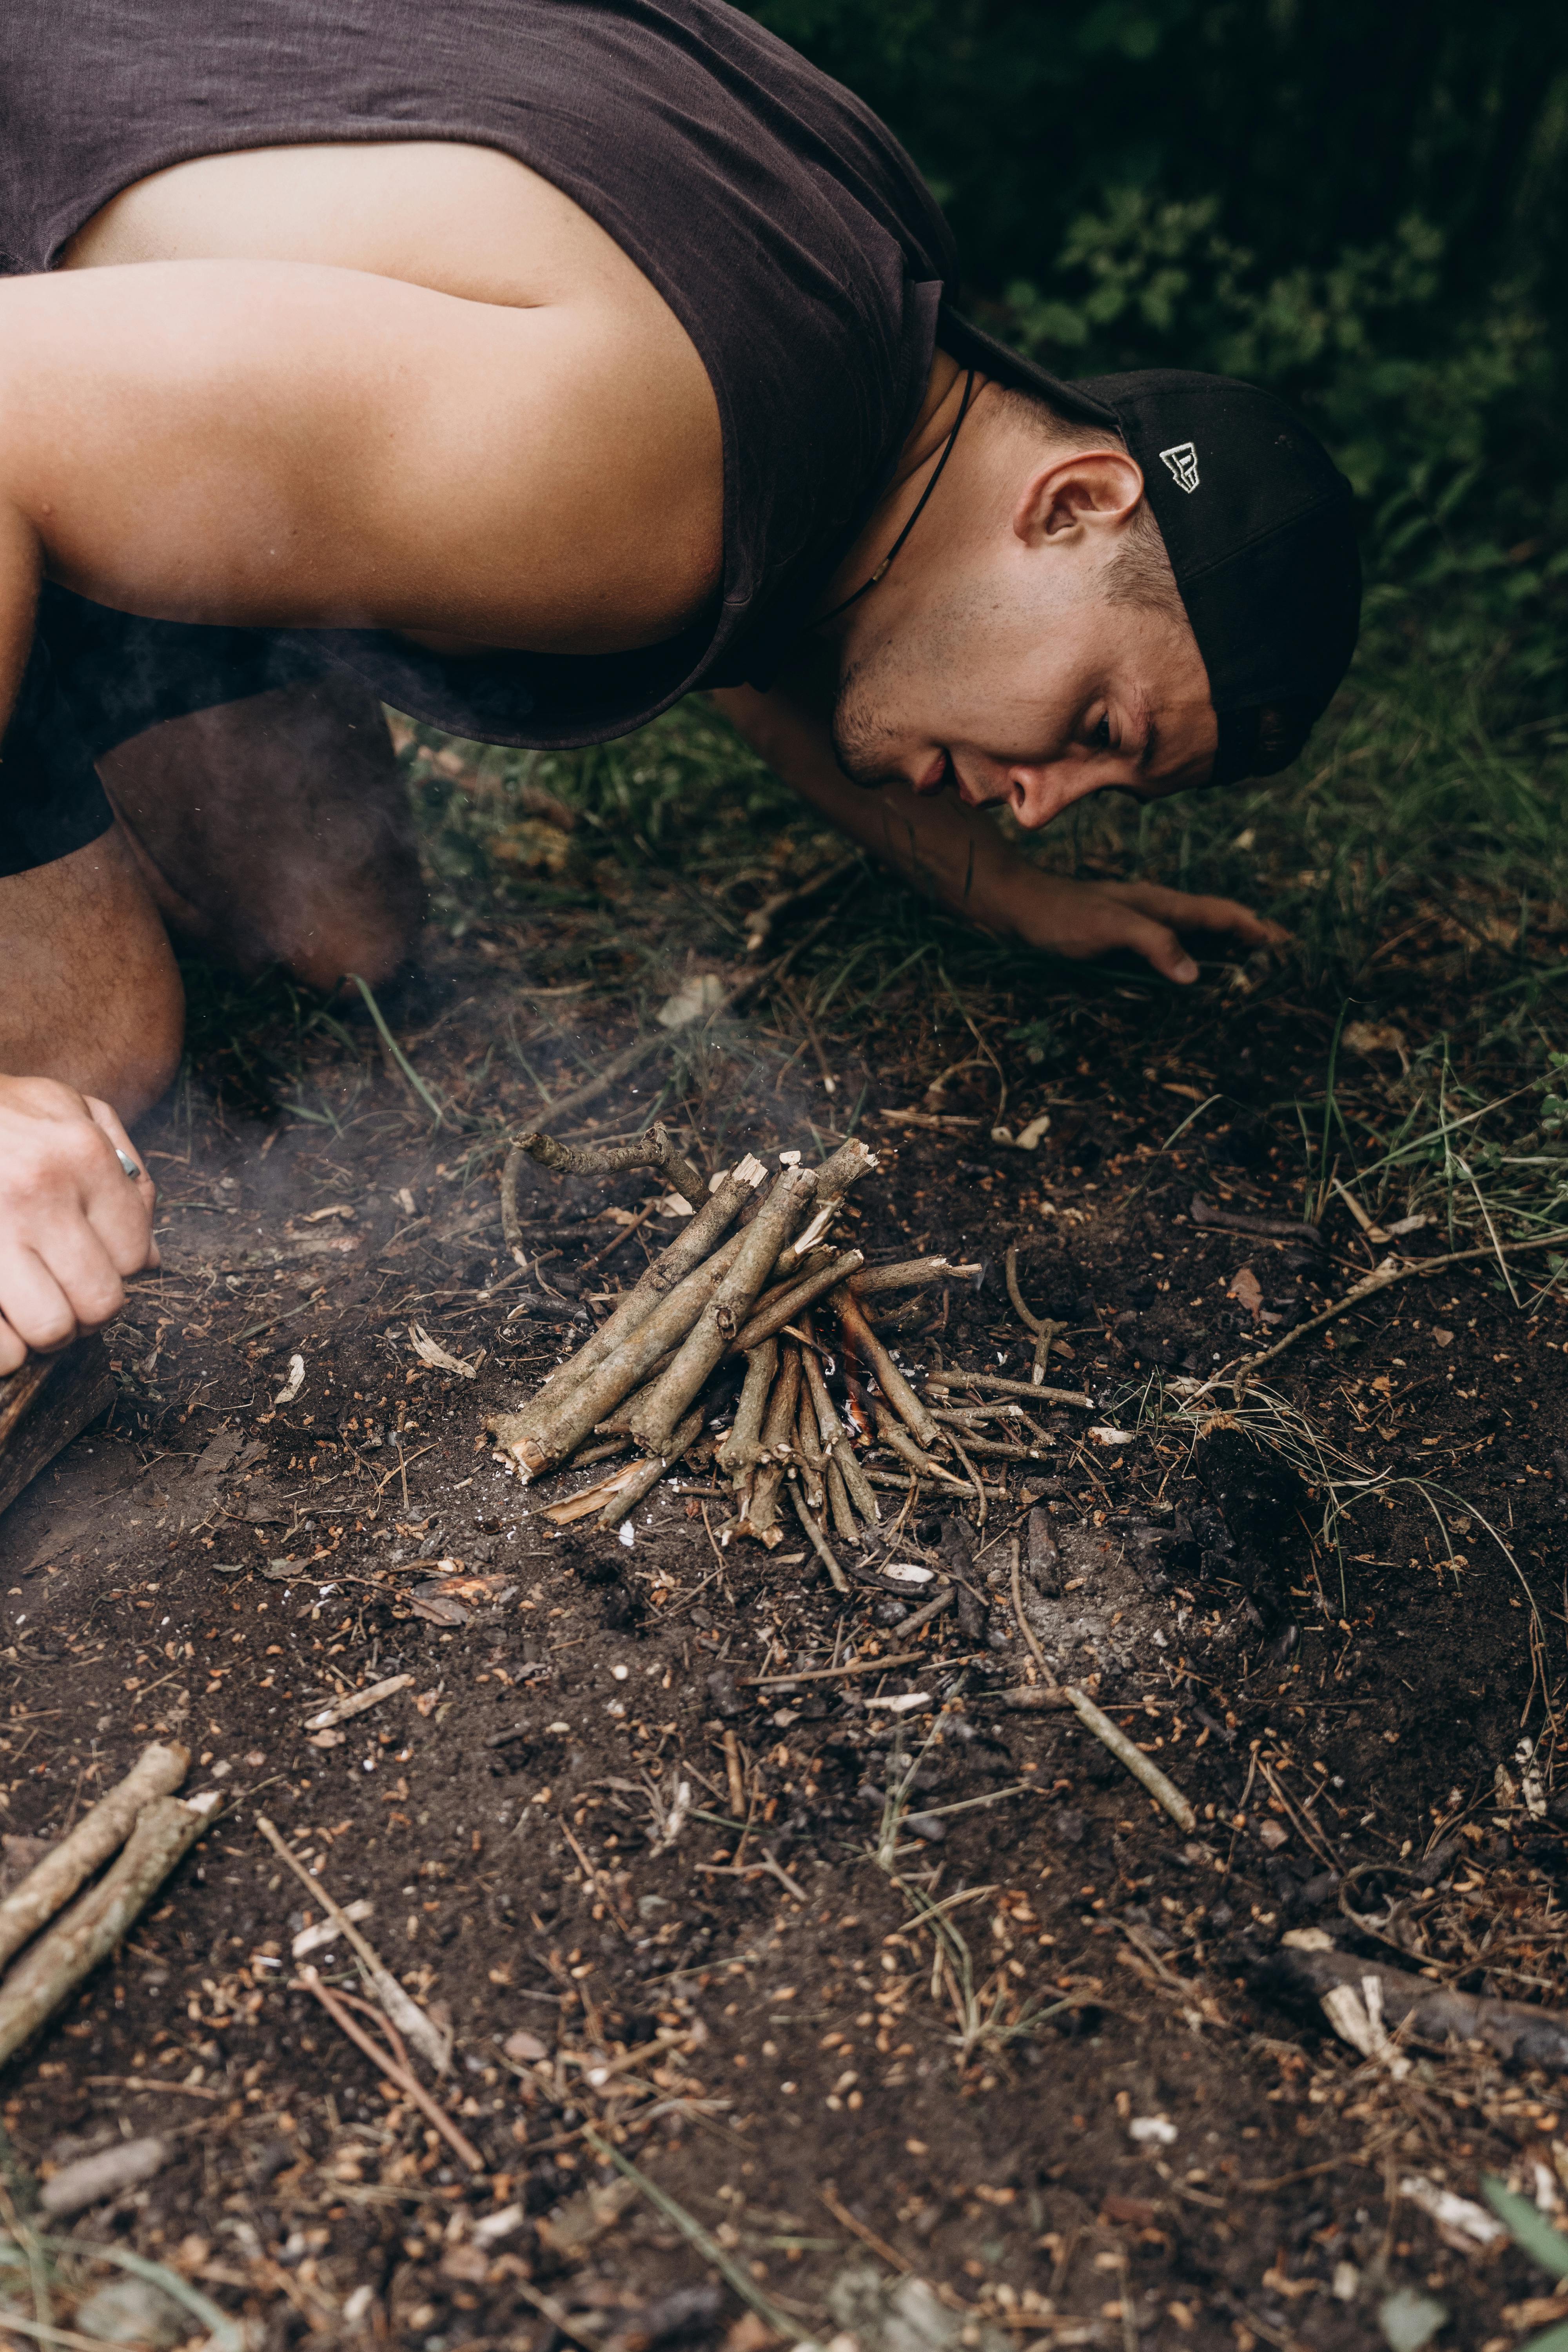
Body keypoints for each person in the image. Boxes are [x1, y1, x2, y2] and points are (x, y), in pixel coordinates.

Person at [0, 0, 1360, 1376]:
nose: (1042, 805)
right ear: (1073, 502)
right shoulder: (633, 458)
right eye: (1093, 730)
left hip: (131, 394)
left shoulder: (859, 325)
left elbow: (767, 616)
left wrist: (996, 888)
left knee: (337, 931)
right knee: (99, 1054)